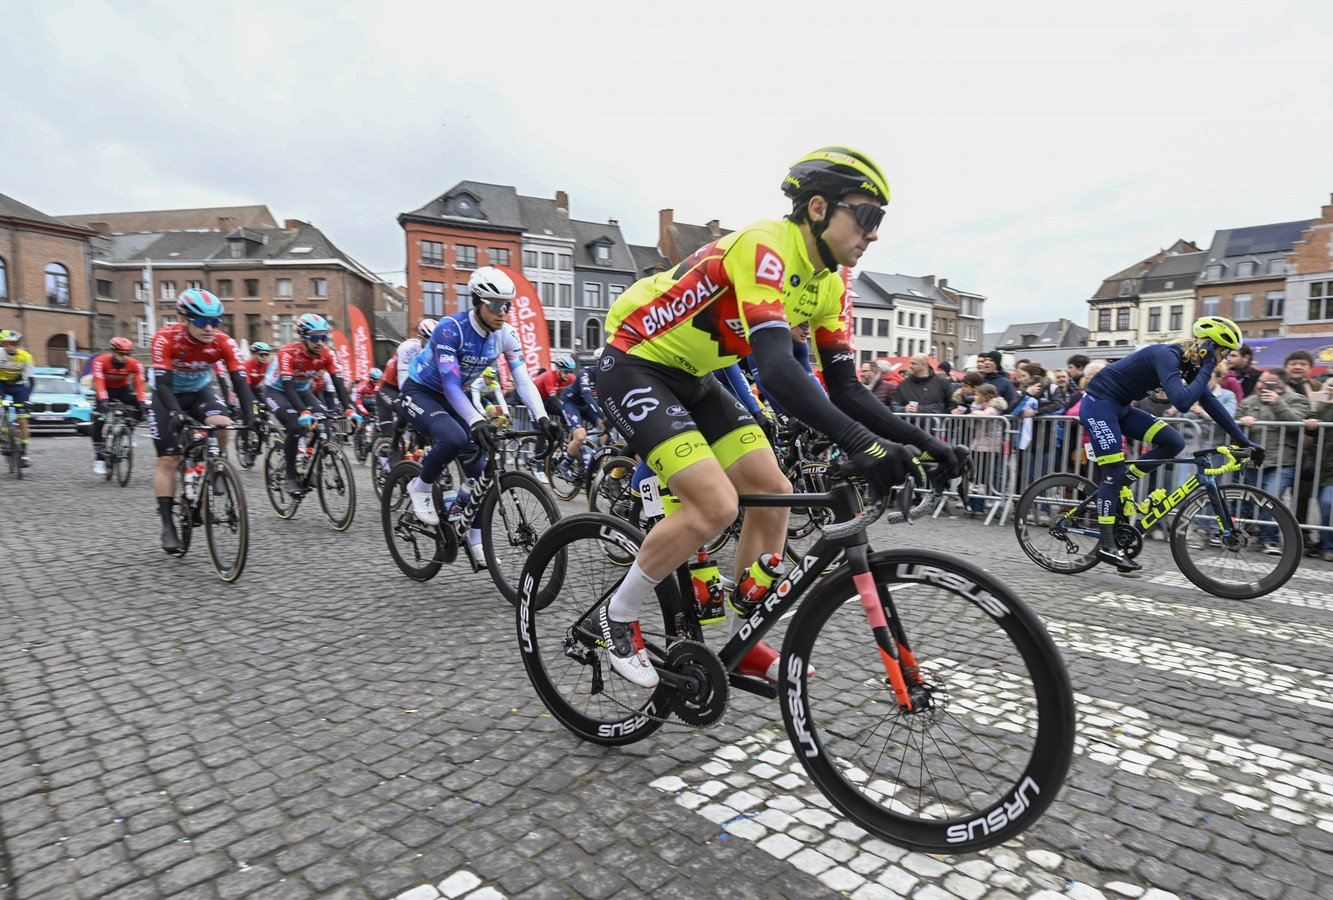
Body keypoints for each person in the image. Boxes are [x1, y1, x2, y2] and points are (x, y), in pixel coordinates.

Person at [595, 146, 960, 689]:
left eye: (879, 220)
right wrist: (866, 446)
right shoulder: (767, 247)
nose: (874, 232)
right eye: (867, 215)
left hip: (695, 376)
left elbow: (844, 387)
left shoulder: (830, 284)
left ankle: (744, 641)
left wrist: (926, 446)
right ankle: (617, 617)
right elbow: (776, 372)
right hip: (634, 362)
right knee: (715, 505)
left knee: (773, 489)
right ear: (818, 208)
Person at [401, 266, 560, 563]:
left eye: (508, 306)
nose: (503, 312)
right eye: (496, 305)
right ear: (477, 302)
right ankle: (420, 486)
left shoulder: (505, 334)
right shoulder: (450, 328)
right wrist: (476, 420)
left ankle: (475, 540)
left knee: (482, 472)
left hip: (455, 397)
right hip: (422, 391)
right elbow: (449, 383)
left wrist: (542, 418)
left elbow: (523, 380)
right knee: (453, 437)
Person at [1079, 316, 1260, 572]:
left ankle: (1124, 481)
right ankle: (1107, 545)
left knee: (1172, 441)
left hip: (1120, 407)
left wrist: (1243, 439)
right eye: (1224, 351)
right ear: (1208, 344)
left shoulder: (1191, 363)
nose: (1226, 358)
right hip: (1098, 406)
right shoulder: (1169, 355)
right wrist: (1208, 365)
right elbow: (1183, 402)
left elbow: (1210, 403)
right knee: (1112, 474)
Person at [150, 289, 254, 553]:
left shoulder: (223, 342)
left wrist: (251, 418)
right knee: (168, 461)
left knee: (221, 421)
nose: (210, 328)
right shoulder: (165, 339)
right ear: (183, 318)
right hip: (168, 395)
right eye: (201, 321)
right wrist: (175, 413)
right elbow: (162, 384)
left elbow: (240, 381)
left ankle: (219, 462)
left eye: (216, 321)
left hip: (199, 392)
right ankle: (167, 525)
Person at [261, 314, 358, 495]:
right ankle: (290, 475)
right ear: (303, 337)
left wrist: (349, 408)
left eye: (323, 337)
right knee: (295, 427)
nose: (320, 342)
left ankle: (311, 467)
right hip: (277, 391)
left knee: (324, 424)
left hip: (303, 391)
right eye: (314, 338)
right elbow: (288, 388)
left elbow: (338, 382)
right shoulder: (287, 353)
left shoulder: (327, 354)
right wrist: (303, 411)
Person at [1235, 369, 1306, 552]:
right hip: (1254, 460)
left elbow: (1298, 423)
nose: (1260, 386)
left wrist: (1278, 403)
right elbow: (1234, 425)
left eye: (1267, 383)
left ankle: (1270, 540)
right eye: (1260, 381)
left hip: (1282, 461)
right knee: (1254, 499)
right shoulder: (1249, 401)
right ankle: (1258, 535)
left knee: (1270, 496)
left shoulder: (1296, 399)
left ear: (1280, 385)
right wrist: (1242, 421)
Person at [89, 337, 148, 474]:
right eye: (121, 354)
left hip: (123, 389)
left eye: (127, 354)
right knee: (97, 422)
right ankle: (99, 459)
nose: (124, 358)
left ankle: (128, 432)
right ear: (112, 351)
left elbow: (139, 383)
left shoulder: (135, 364)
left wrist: (142, 402)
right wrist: (103, 400)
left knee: (141, 407)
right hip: (105, 390)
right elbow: (98, 381)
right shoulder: (100, 361)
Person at [0, 329, 36, 466]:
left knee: (23, 421)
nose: (10, 346)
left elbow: (31, 380)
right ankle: (3, 435)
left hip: (19, 386)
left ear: (18, 344)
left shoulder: (25, 356)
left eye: (14, 343)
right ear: (3, 344)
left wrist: (27, 399)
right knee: (0, 412)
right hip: (1, 384)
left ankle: (24, 454)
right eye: (7, 343)